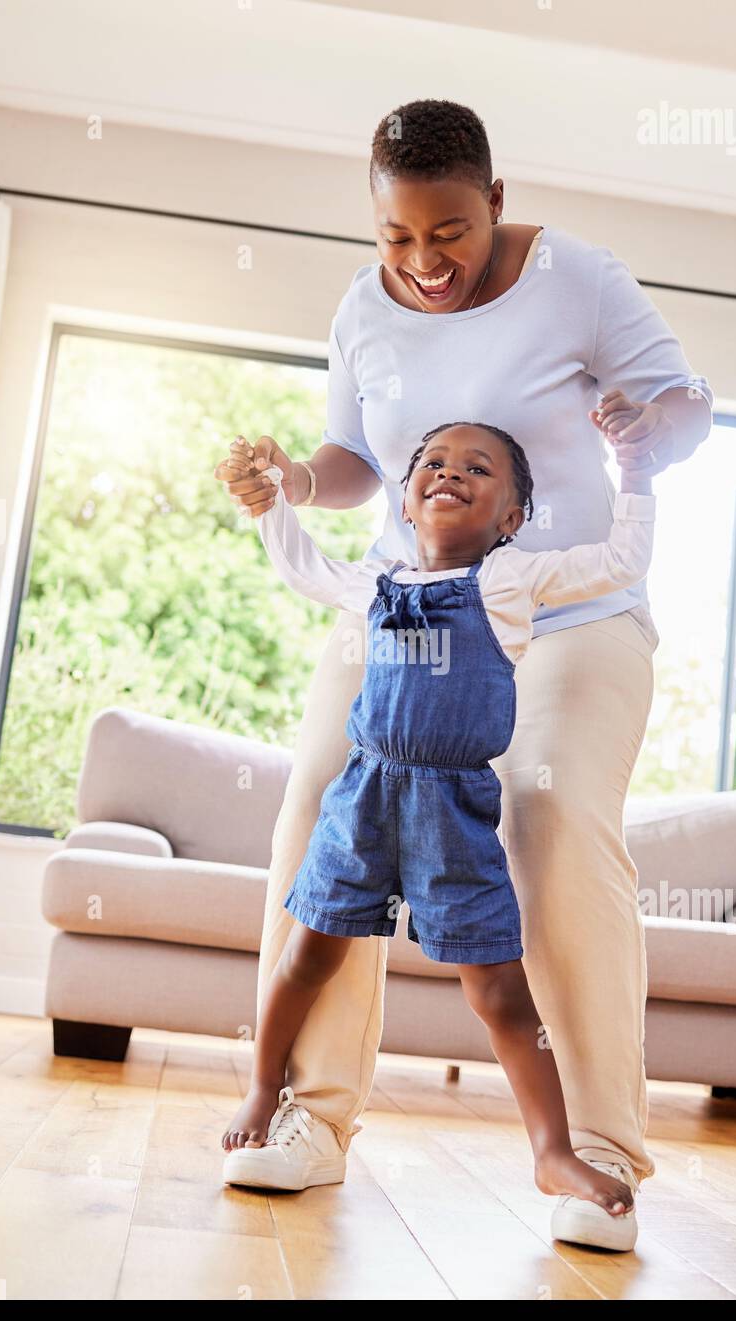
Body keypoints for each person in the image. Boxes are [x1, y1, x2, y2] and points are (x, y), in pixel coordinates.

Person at [213, 98, 712, 1252]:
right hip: (409, 611)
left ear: (493, 201)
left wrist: (645, 434)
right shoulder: (359, 306)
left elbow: (683, 405)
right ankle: (307, 1112)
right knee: (315, 808)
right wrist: (294, 476)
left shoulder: (577, 277)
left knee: (547, 812)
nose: (422, 262)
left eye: (447, 232)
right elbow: (352, 464)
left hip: (570, 609)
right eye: (396, 236)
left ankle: (594, 1154)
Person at [218, 421, 656, 1228]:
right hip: (363, 799)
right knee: (306, 955)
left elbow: (620, 562)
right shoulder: (379, 577)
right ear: (405, 495)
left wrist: (633, 470)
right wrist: (275, 497)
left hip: (454, 810)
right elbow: (305, 569)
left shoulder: (511, 581)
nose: (450, 473)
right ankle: (263, 1085)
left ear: (513, 515)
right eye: (432, 462)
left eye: (478, 469)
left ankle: (555, 1151)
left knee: (499, 992)